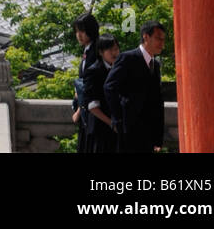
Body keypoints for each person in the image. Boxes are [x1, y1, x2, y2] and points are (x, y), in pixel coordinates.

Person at [104, 21, 167, 154]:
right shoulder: (128, 58)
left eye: (163, 39)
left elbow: (157, 101)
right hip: (129, 129)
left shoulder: (155, 65)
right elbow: (109, 87)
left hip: (148, 132)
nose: (162, 43)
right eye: (158, 38)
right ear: (146, 37)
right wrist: (118, 119)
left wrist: (158, 137)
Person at [82, 36, 120, 154]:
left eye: (116, 49)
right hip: (100, 127)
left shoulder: (120, 68)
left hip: (117, 127)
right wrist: (111, 123)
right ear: (101, 52)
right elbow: (92, 106)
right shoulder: (93, 71)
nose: (114, 53)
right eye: (110, 50)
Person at [71, 12, 99, 152]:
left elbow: (89, 84)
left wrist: (78, 110)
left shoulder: (96, 51)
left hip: (92, 111)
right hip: (87, 109)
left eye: (82, 31)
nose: (79, 35)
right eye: (77, 31)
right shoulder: (88, 50)